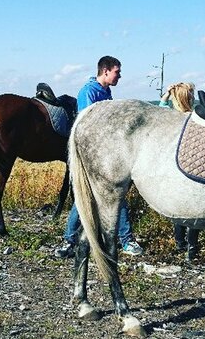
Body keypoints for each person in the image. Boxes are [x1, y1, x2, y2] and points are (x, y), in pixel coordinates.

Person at [55, 56, 144, 258]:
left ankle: (124, 239)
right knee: (86, 196)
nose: (119, 76)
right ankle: (70, 241)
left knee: (115, 196)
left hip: (107, 154)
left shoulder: (105, 91)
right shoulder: (89, 92)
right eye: (117, 72)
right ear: (105, 71)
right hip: (93, 155)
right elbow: (89, 125)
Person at [159, 82, 200, 257]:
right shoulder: (194, 118)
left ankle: (180, 243)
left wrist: (167, 94)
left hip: (172, 168)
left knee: (179, 209)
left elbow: (161, 107)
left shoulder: (168, 116)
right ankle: (191, 246)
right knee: (194, 210)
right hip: (190, 166)